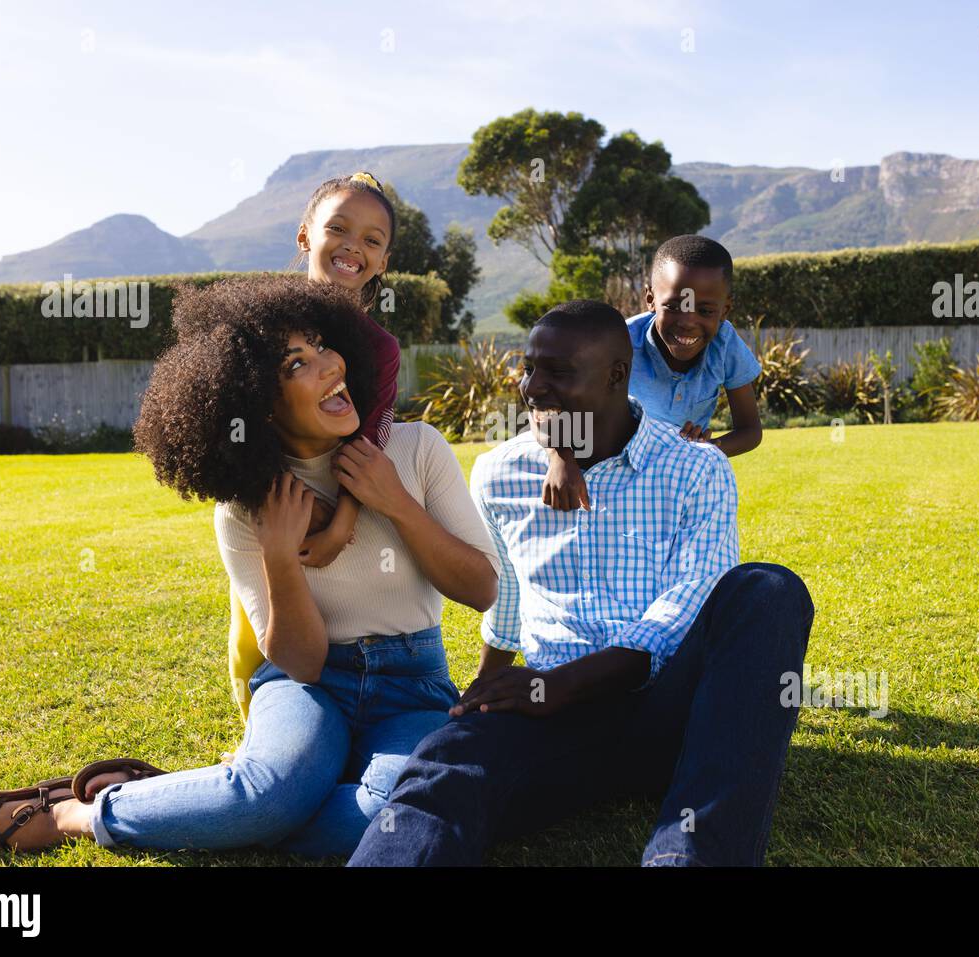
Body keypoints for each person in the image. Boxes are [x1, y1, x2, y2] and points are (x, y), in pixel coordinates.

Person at [0, 276, 499, 860]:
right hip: (308, 688)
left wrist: (395, 501)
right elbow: (301, 661)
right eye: (295, 363)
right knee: (272, 792)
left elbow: (480, 589)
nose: (328, 365)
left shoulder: (416, 449)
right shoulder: (245, 505)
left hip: (412, 683)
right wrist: (278, 555)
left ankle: (192, 803)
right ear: (255, 405)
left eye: (323, 344)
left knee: (384, 816)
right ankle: (78, 814)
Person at [348, 299, 814, 867]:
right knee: (443, 765)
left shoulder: (695, 467)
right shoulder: (501, 471)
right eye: (529, 368)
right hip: (552, 722)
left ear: (617, 375)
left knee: (768, 588)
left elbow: (691, 598)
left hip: (672, 718)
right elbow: (510, 599)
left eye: (559, 373)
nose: (533, 388)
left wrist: (567, 683)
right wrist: (487, 691)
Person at [225, 171, 404, 722]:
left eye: (373, 240)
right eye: (339, 229)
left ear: (383, 262)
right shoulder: (258, 323)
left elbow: (371, 439)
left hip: (347, 505)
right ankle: (265, 726)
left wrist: (343, 520)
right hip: (271, 503)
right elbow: (232, 429)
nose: (354, 246)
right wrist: (284, 494)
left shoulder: (379, 348)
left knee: (337, 617)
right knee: (256, 630)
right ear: (306, 236)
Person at [541, 234, 763, 512]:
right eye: (673, 306)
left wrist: (702, 450)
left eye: (705, 310)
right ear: (650, 298)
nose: (688, 322)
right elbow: (547, 404)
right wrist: (560, 458)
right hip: (609, 478)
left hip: (677, 484)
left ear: (725, 309)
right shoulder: (616, 344)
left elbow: (750, 430)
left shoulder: (726, 346)